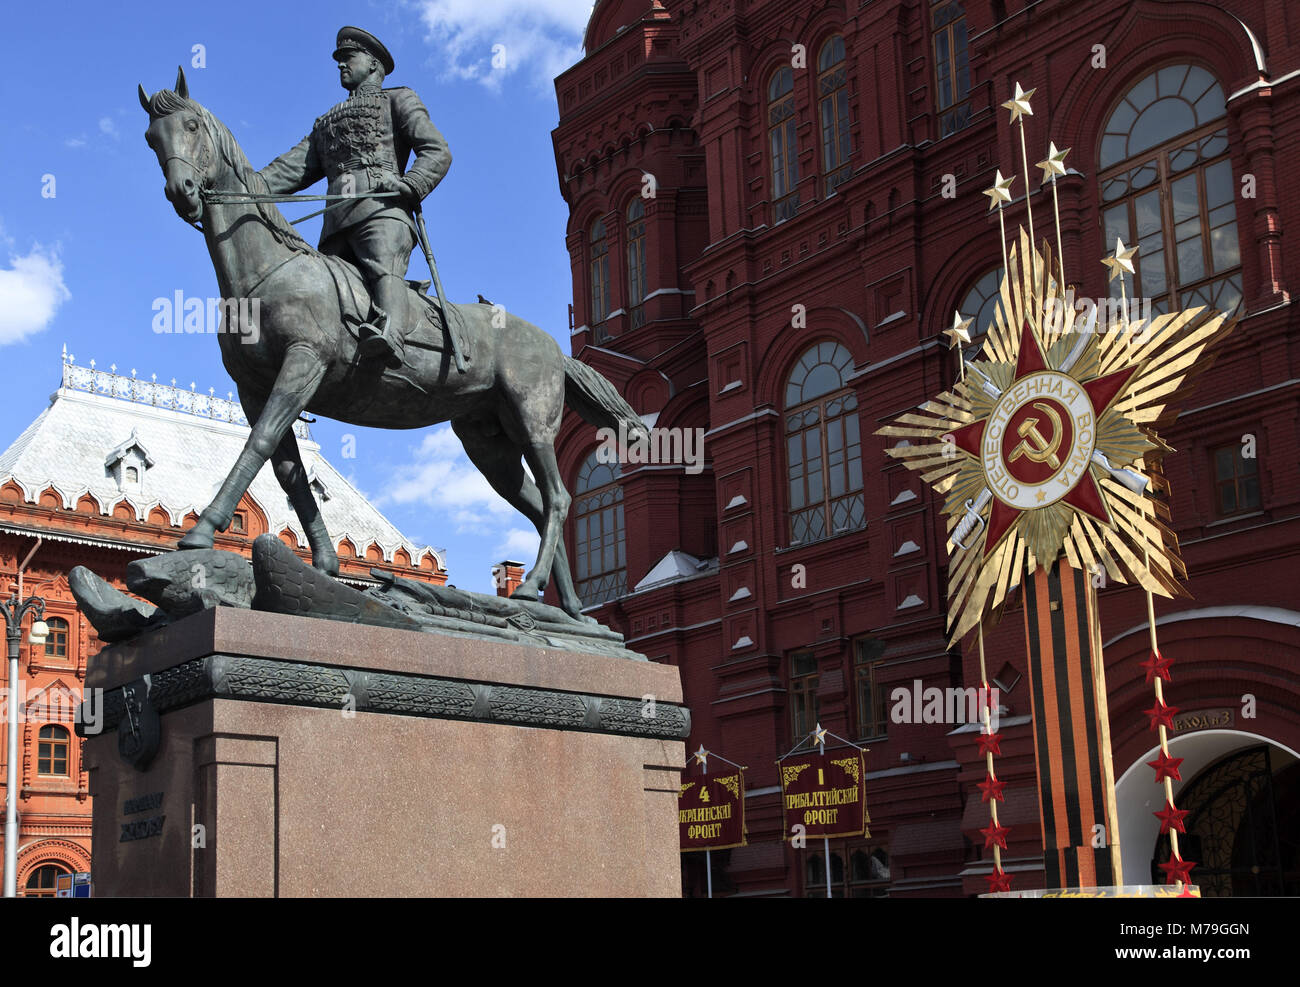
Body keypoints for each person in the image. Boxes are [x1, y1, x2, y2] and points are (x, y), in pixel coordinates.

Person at [259, 26, 451, 365]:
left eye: (348, 57)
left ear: (373, 64)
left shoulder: (399, 99)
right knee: (316, 294)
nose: (341, 65)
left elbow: (436, 151)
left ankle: (391, 334)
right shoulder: (326, 122)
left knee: (383, 265)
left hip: (382, 211)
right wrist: (242, 186)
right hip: (336, 225)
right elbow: (289, 170)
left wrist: (411, 183)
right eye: (339, 59)